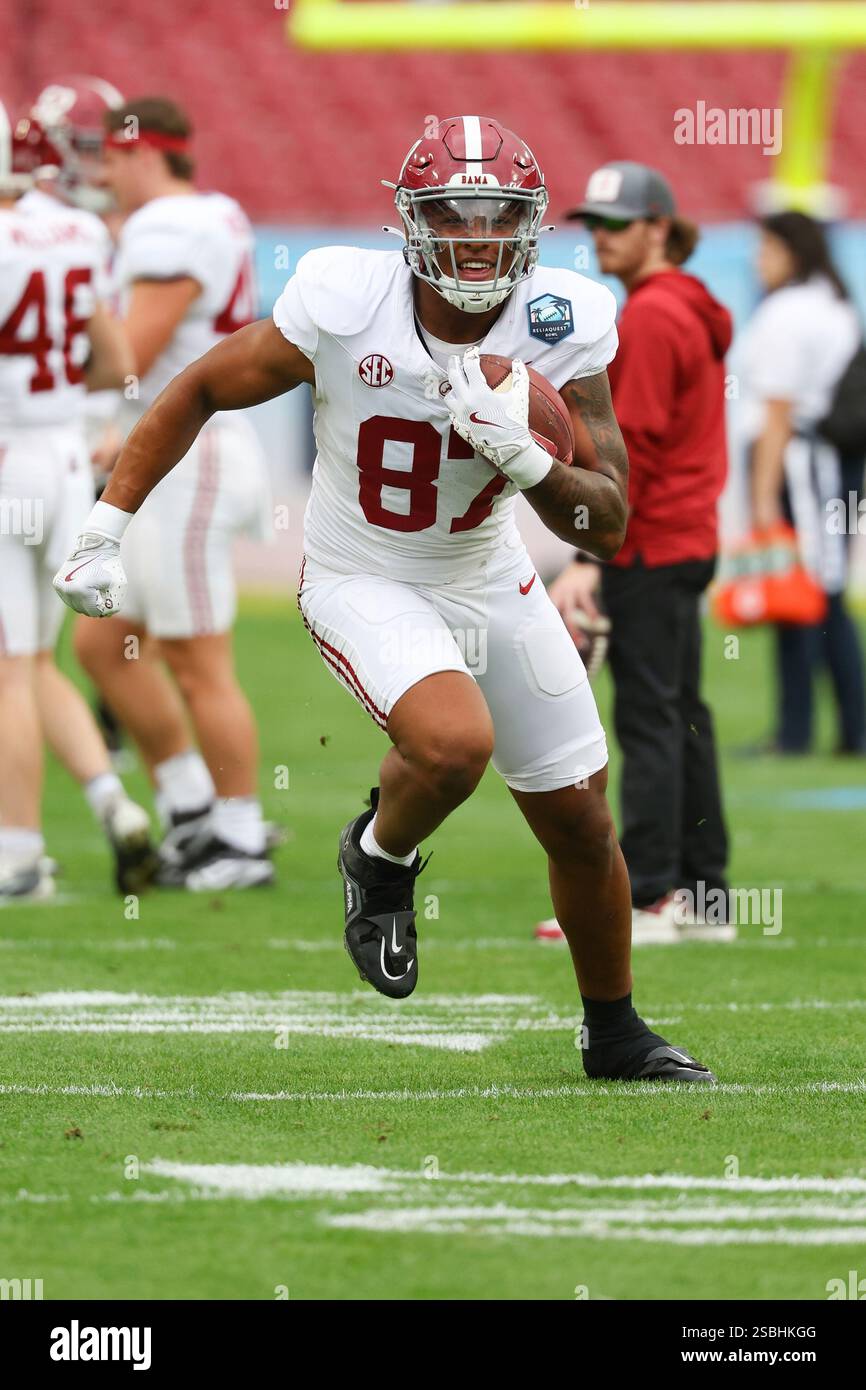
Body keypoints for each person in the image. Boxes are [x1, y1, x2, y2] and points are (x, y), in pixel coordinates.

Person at [54, 116, 716, 1084]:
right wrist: (104, 527)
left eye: (502, 219)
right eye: (459, 215)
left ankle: (612, 1031)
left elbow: (607, 524)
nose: (481, 239)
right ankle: (380, 854)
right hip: (362, 569)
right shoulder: (344, 299)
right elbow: (197, 385)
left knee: (579, 819)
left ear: (530, 227)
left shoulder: (560, 320)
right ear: (412, 222)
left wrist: (526, 456)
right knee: (453, 744)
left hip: (487, 572)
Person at [70, 96, 276, 891]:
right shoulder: (210, 212)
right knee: (102, 646)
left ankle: (240, 834)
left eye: (111, 161)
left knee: (197, 659)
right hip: (177, 452)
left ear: (142, 154)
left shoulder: (168, 228)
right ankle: (191, 808)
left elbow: (131, 355)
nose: (103, 178)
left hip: (192, 457)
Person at [544, 161, 733, 945]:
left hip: (651, 540)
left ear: (660, 226)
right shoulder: (685, 307)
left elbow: (638, 449)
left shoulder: (654, 315)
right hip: (686, 536)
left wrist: (593, 552)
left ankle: (655, 893)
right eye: (594, 224)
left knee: (651, 718)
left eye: (617, 223)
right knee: (681, 715)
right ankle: (704, 896)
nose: (602, 237)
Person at [0, 100, 154, 901]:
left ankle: (19, 855)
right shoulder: (73, 231)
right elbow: (114, 357)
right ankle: (113, 805)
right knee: (25, 663)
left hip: (6, 463)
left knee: (6, 672)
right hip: (61, 460)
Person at [731, 210, 864, 755]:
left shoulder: (789, 311)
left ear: (793, 251)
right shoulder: (833, 303)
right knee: (815, 592)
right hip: (826, 464)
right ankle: (835, 728)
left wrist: (762, 497)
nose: (758, 261)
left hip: (807, 466)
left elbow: (779, 411)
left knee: (813, 593)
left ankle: (806, 730)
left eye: (767, 250)